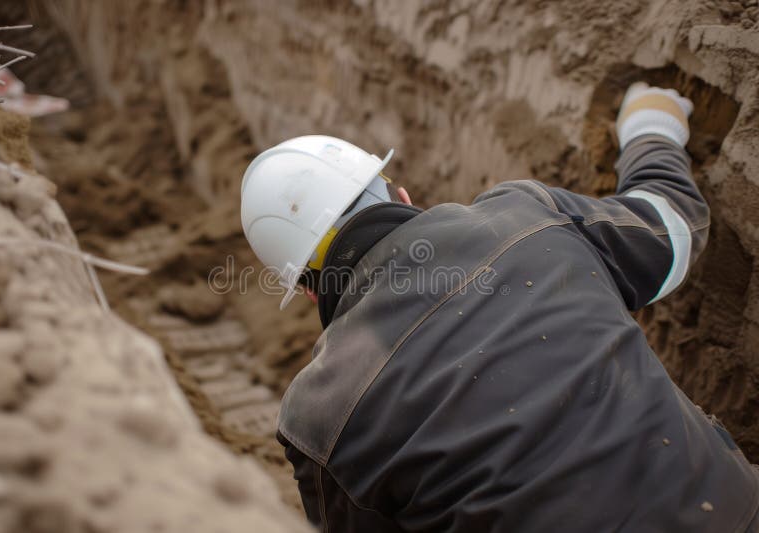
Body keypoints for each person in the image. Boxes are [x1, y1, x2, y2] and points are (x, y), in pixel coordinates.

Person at [239, 83, 759, 532]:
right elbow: (674, 227)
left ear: (308, 290)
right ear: (400, 192)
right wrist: (651, 122)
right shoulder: (528, 216)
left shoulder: (319, 418)